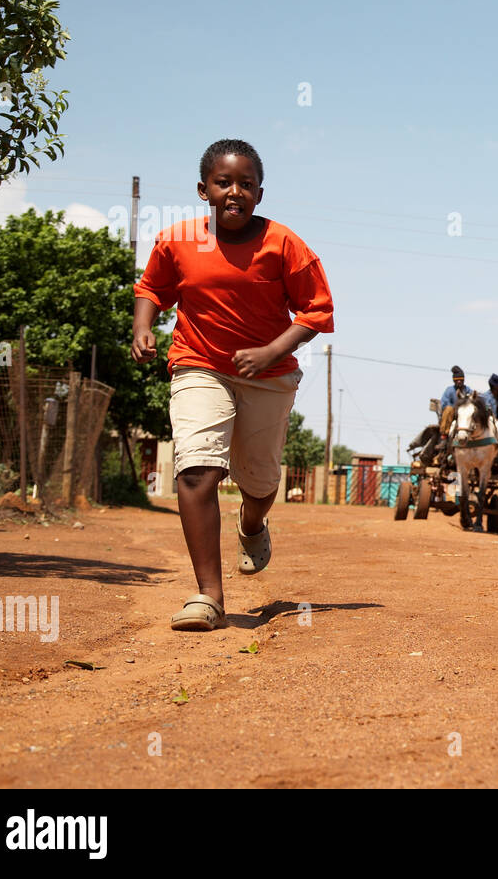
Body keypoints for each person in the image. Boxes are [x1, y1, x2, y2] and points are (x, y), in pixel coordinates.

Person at [132, 138, 334, 631]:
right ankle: (208, 596)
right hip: (197, 363)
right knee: (197, 470)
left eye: (246, 183)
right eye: (224, 182)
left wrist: (271, 351)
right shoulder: (177, 241)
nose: (235, 191)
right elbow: (152, 288)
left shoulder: (283, 244)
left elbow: (317, 310)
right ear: (204, 189)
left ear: (260, 193)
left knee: (259, 483)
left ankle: (252, 523)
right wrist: (142, 327)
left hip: (269, 378)